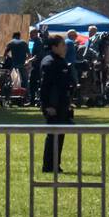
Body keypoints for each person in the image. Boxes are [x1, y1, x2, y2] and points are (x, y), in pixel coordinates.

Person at [39, 35, 74, 173]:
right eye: (62, 45)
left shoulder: (60, 61)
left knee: (60, 135)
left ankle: (55, 164)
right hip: (53, 105)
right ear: (54, 47)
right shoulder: (50, 62)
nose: (65, 47)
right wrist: (48, 105)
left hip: (62, 103)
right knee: (53, 135)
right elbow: (45, 86)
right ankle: (48, 166)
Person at [5, 32, 29, 101]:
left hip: (14, 64)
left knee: (11, 80)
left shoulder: (11, 42)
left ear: (13, 36)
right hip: (22, 64)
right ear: (19, 36)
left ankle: (10, 95)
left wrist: (6, 59)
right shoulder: (24, 43)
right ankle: (26, 96)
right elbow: (29, 55)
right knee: (25, 80)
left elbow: (5, 53)